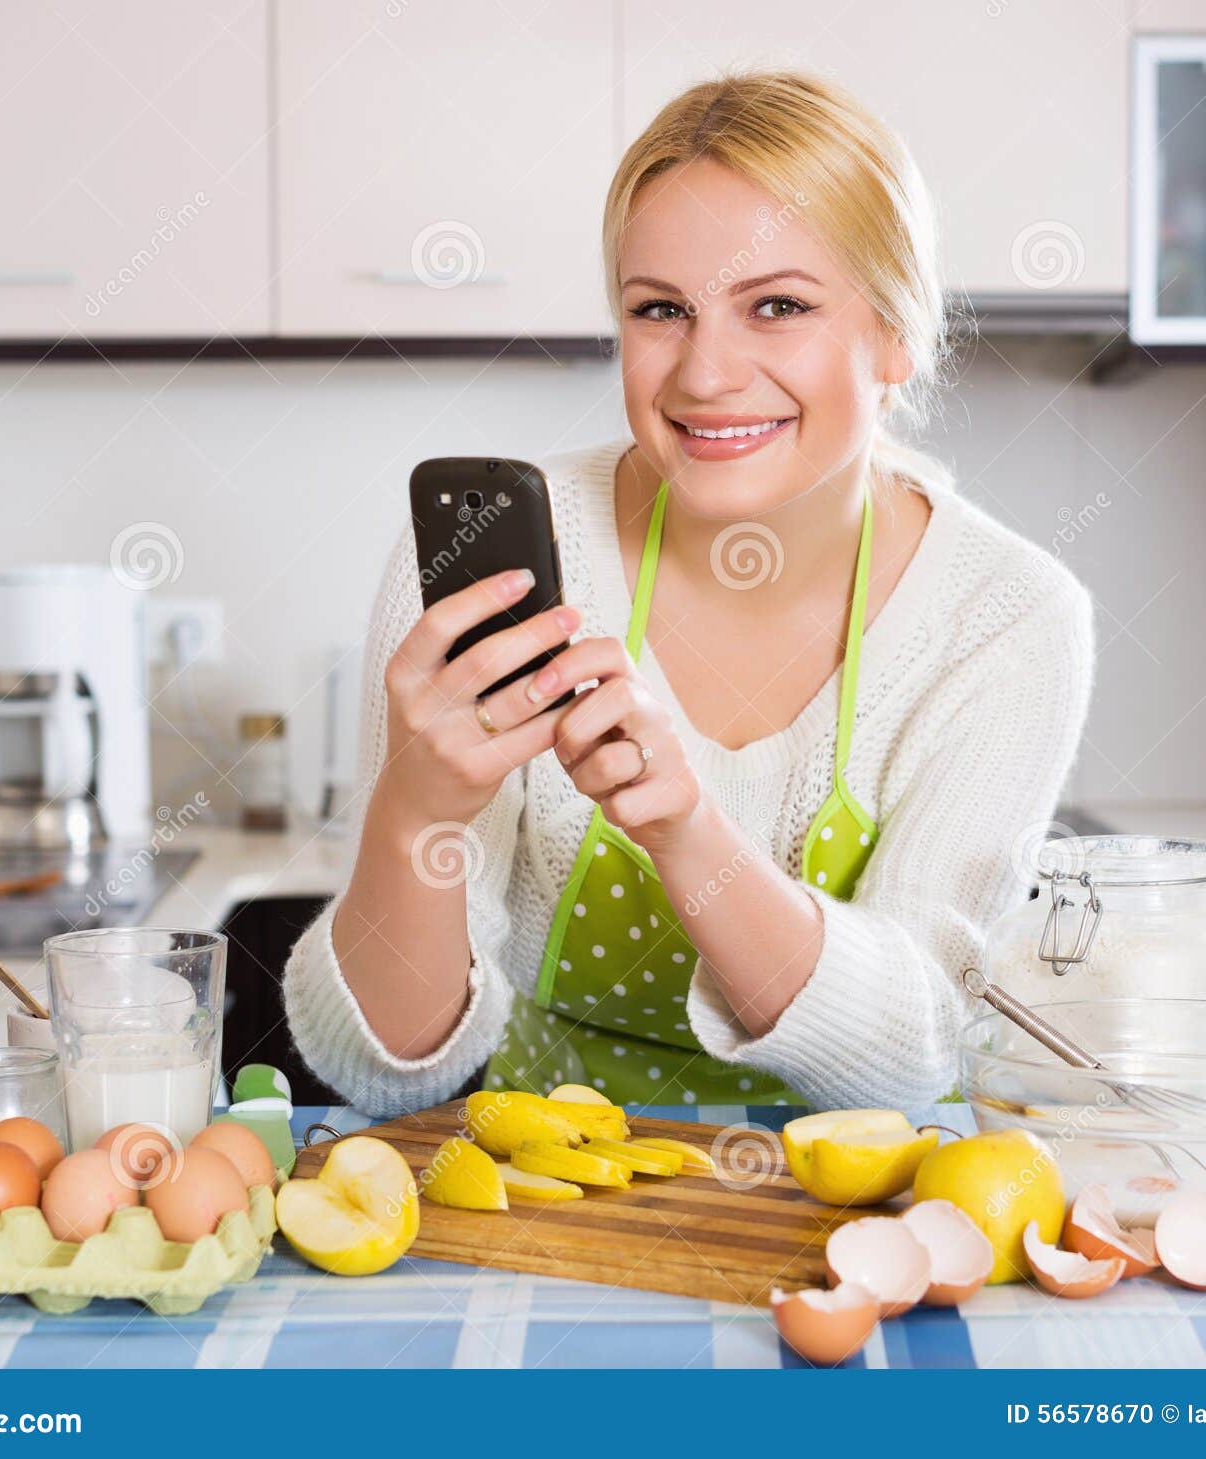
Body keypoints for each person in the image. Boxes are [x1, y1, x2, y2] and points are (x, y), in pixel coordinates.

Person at [285, 71, 1093, 1116]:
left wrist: (687, 832)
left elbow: (914, 1055)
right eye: (661, 309)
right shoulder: (502, 564)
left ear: (896, 333)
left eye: (778, 307)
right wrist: (414, 813)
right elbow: (383, 1070)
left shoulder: (1005, 618)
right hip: (552, 1180)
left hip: (854, 1194)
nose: (705, 374)